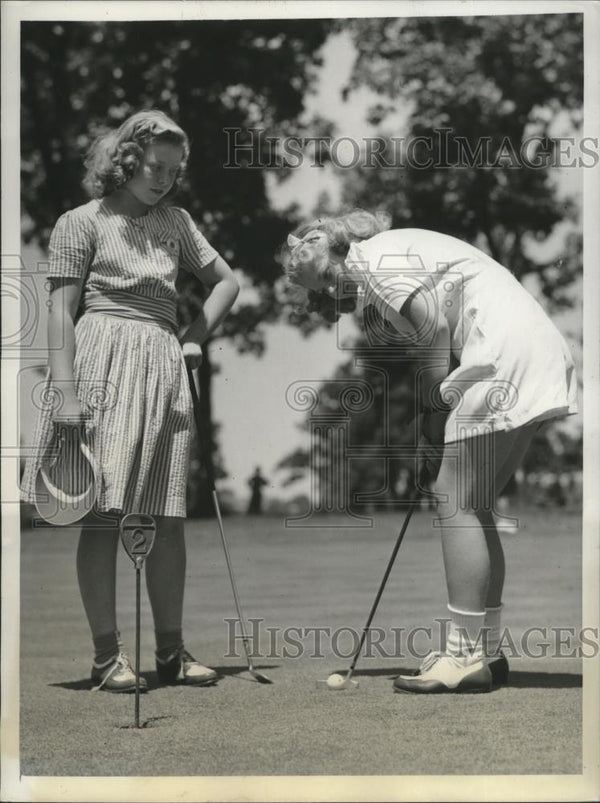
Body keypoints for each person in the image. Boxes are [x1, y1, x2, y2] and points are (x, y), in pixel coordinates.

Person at [284, 209, 577, 694]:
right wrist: (437, 414)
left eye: (327, 279)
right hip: (532, 350)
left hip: (502, 353)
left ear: (328, 245)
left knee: (454, 499)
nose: (334, 293)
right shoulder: (395, 251)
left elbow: (434, 329)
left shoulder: (371, 260)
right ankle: (485, 651)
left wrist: (432, 412)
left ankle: (462, 655)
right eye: (324, 291)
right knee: (474, 503)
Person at [22, 110, 240, 692]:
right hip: (102, 363)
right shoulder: (80, 222)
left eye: (173, 170)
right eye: (154, 166)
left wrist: (193, 337)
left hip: (162, 364)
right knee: (104, 515)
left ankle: (170, 653)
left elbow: (227, 282)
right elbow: (60, 313)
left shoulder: (177, 221)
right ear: (125, 160)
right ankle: (106, 658)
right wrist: (65, 391)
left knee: (167, 515)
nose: (164, 179)